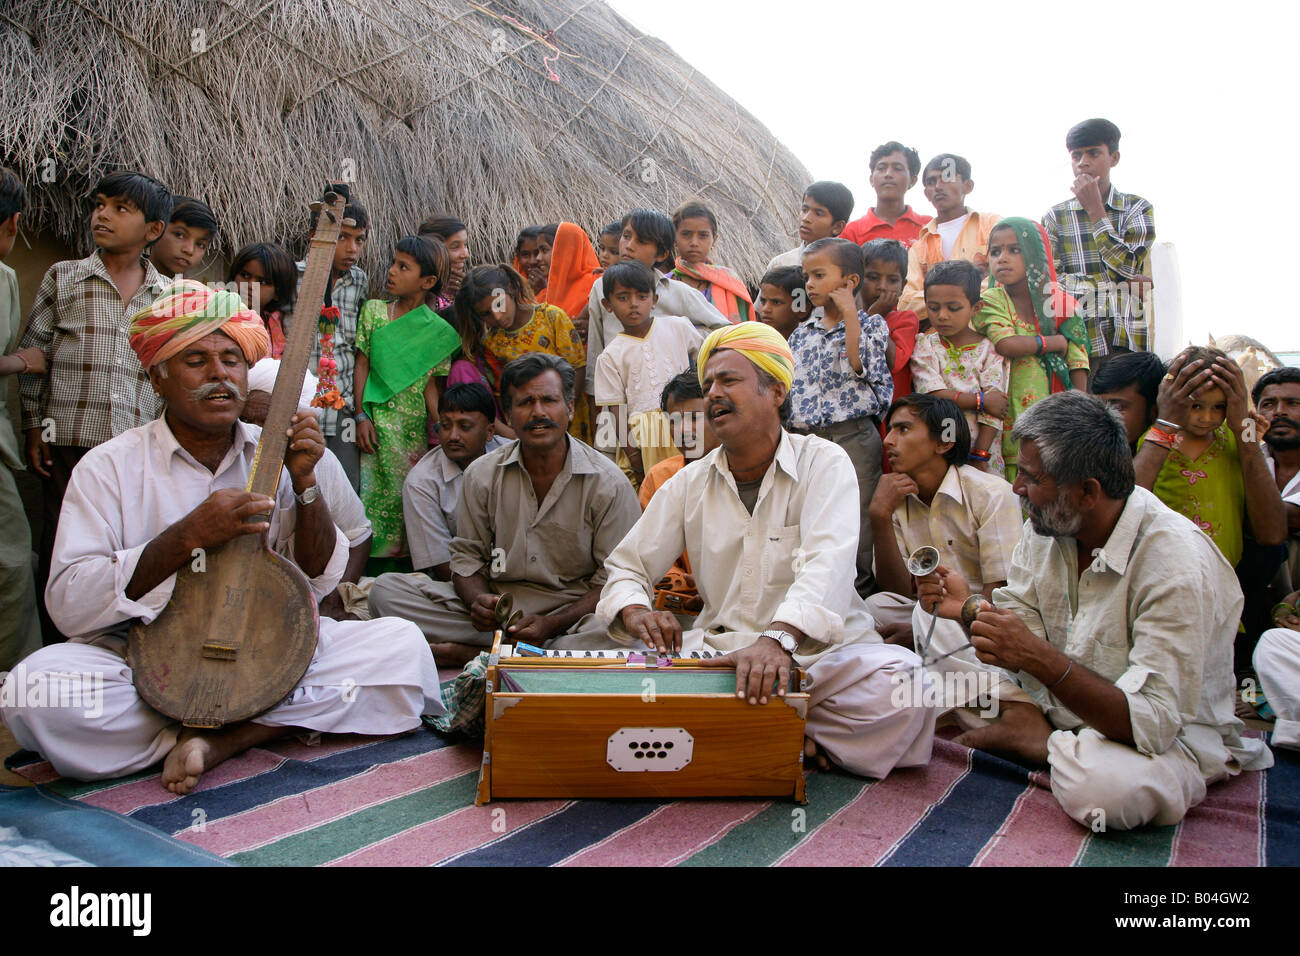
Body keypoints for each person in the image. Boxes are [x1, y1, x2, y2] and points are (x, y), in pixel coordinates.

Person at [0, 281, 442, 792]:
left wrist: (303, 483)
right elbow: (70, 603)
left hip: (271, 652)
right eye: (196, 361)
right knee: (33, 691)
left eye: (232, 361)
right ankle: (248, 723)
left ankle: (224, 739)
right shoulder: (109, 468)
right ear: (157, 376)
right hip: (144, 661)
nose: (220, 375)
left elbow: (322, 578)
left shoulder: (278, 452)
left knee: (403, 649)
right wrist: (187, 536)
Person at [918, 390, 1273, 830]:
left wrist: (1037, 659)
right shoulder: (1049, 523)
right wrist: (967, 608)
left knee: (1106, 792)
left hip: (1156, 738)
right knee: (932, 620)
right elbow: (1021, 621)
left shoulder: (1174, 561)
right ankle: (1032, 724)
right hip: (1049, 696)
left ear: (1088, 492)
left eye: (1030, 477)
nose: (1017, 488)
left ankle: (1045, 742)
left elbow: (1153, 723)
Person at [596, 322, 937, 778]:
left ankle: (743, 729)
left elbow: (829, 563)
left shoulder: (824, 461)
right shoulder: (686, 484)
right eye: (709, 383)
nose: (713, 392)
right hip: (722, 655)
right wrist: (636, 611)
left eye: (728, 380)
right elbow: (626, 566)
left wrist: (778, 641)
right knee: (606, 681)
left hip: (815, 659)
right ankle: (786, 734)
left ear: (775, 391)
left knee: (907, 685)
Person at [368, 354, 640, 665]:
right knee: (385, 593)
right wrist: (480, 603)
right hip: (501, 612)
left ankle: (484, 654)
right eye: (525, 403)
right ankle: (529, 656)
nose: (538, 412)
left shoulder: (609, 483)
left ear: (569, 406)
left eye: (548, 400)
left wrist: (552, 623)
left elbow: (614, 579)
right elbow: (467, 558)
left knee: (624, 633)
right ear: (507, 416)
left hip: (571, 616)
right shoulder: (482, 475)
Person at [19, 170, 172, 643]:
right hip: (69, 441)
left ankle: (122, 642)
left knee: (130, 546)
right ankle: (58, 645)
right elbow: (35, 355)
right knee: (63, 547)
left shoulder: (167, 296)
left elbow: (169, 378)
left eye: (120, 208)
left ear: (152, 231)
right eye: (100, 204)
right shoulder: (63, 278)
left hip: (134, 450)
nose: (102, 214)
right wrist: (33, 428)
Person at [865, 396, 1022, 708]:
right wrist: (879, 517)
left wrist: (924, 628)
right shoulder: (897, 499)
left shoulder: (991, 494)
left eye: (903, 429)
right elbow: (895, 590)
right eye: (890, 430)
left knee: (931, 623)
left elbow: (1001, 596)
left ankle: (980, 700)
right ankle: (936, 675)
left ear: (943, 442)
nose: (888, 440)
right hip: (927, 613)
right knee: (873, 608)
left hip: (981, 618)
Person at [788, 238, 893, 596]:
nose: (810, 284)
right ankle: (810, 590)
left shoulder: (872, 326)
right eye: (807, 276)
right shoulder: (801, 334)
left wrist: (850, 314)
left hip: (853, 438)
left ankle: (858, 592)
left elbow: (861, 365)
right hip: (807, 440)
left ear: (849, 282)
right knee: (808, 512)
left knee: (856, 515)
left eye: (819, 275)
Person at [353, 237, 461, 572]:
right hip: (374, 424)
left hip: (410, 432)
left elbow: (431, 386)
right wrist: (360, 415)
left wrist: (443, 425)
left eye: (403, 267)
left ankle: (399, 577)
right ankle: (363, 573)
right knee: (368, 499)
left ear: (427, 281)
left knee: (405, 501)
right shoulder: (373, 311)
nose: (391, 271)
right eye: (393, 263)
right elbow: (362, 365)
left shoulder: (438, 332)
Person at [1133, 346, 1285, 569]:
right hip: (1168, 568)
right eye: (1195, 406)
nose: (1206, 417)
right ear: (1173, 399)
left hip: (1224, 571)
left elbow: (1272, 533)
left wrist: (1245, 429)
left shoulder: (1236, 439)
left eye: (1219, 407)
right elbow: (1133, 501)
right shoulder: (1156, 441)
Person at [975, 217, 1090, 480]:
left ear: (1036, 254)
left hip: (1052, 419)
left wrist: (1078, 419)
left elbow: (1078, 363)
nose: (1002, 258)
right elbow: (1005, 344)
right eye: (995, 251)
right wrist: (1053, 343)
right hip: (1003, 419)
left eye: (1015, 250)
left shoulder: (1062, 305)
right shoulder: (991, 300)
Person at [584, 209, 728, 409]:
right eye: (626, 237)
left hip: (675, 407)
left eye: (641, 241)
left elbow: (724, 331)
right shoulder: (601, 288)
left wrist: (678, 337)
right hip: (622, 402)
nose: (629, 246)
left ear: (661, 254)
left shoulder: (677, 293)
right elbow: (596, 347)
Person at [1042, 119, 1155, 369]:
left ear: (1113, 158)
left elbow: (1127, 267)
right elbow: (1053, 284)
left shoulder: (1137, 208)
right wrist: (1118, 287)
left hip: (1127, 338)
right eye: (1076, 156)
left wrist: (1096, 211)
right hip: (1080, 343)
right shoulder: (1055, 217)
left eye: (1093, 153)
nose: (1083, 162)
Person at [594, 261, 703, 484]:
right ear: (608, 304)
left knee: (693, 482)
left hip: (685, 423)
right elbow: (617, 413)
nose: (633, 304)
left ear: (654, 300)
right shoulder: (609, 357)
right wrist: (634, 458)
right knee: (656, 493)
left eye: (641, 296)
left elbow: (707, 362)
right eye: (623, 298)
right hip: (644, 440)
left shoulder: (678, 327)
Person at [461, 263, 588, 443]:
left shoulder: (552, 318)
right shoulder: (492, 344)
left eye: (499, 304)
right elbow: (502, 394)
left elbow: (578, 368)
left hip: (569, 416)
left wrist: (564, 412)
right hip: (531, 425)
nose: (497, 317)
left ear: (511, 289)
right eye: (486, 314)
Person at [910, 260, 1010, 477]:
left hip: (983, 454)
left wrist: (980, 454)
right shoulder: (926, 345)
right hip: (939, 449)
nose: (942, 315)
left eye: (953, 308)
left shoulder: (989, 349)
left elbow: (997, 408)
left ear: (976, 308)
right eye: (933, 308)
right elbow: (934, 396)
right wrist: (981, 402)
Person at [636, 368, 721, 618]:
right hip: (681, 605)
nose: (684, 429)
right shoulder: (659, 477)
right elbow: (650, 552)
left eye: (695, 417)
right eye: (674, 420)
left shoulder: (746, 472)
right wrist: (682, 582)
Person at [0, 168, 42, 669]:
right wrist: (22, 362)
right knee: (11, 561)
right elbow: (22, 356)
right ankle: (19, 682)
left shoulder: (9, 278)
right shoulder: (9, 277)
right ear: (12, 224)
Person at [403, 383, 506, 581]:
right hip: (460, 583)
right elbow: (442, 564)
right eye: (445, 426)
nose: (453, 436)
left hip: (523, 574)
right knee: (386, 589)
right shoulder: (421, 482)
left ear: (490, 431)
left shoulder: (513, 458)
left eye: (465, 427)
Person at [302, 193, 369, 492]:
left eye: (359, 240)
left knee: (344, 496)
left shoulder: (359, 282)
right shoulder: (295, 276)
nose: (352, 249)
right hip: (303, 412)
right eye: (343, 237)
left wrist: (359, 414)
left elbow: (357, 351)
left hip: (343, 415)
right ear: (315, 235)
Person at [898, 155, 1000, 321]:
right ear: (926, 194)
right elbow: (907, 303)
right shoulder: (920, 246)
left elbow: (1003, 283)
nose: (938, 186)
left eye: (947, 178)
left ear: (968, 186)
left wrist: (937, 299)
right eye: (931, 182)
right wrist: (964, 296)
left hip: (990, 335)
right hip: (937, 342)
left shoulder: (992, 226)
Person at [858, 238, 919, 416]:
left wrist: (874, 318)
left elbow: (895, 363)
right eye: (873, 277)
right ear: (857, 278)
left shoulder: (906, 320)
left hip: (892, 414)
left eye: (892, 280)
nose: (882, 287)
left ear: (903, 286)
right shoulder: (846, 318)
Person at [670, 200, 754, 322]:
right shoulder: (664, 284)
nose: (694, 242)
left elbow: (742, 330)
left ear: (714, 240)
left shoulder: (730, 282)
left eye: (703, 235)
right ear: (674, 238)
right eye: (686, 234)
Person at [840, 142, 931, 247]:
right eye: (881, 168)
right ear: (871, 179)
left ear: (913, 180)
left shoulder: (928, 227)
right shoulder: (852, 232)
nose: (888, 174)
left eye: (897, 168)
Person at [226, 241, 297, 361]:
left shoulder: (274, 322)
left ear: (277, 293)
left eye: (262, 282)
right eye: (245, 275)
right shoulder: (221, 318)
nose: (250, 285)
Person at [765, 181, 854, 271]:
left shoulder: (847, 268)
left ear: (837, 227)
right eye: (804, 210)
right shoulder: (780, 265)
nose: (806, 218)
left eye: (818, 214)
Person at [1089, 350, 1165, 452]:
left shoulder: (1174, 461)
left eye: (1117, 407)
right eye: (1098, 406)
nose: (1102, 417)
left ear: (1154, 412)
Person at [149, 196, 217, 279]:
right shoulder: (130, 281)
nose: (189, 250)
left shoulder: (193, 291)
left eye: (200, 244)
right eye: (179, 235)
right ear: (156, 229)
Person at [417, 214, 471, 315]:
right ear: (433, 251)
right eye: (455, 247)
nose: (465, 254)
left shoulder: (468, 286)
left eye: (465, 245)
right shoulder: (417, 293)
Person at [754, 265, 810, 340]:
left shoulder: (809, 346)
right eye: (763, 301)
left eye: (776, 302)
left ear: (801, 310)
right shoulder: (753, 343)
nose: (765, 309)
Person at [513, 225, 545, 293]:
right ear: (518, 256)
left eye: (537, 253)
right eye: (525, 255)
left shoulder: (560, 284)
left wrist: (544, 289)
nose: (532, 262)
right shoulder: (510, 286)